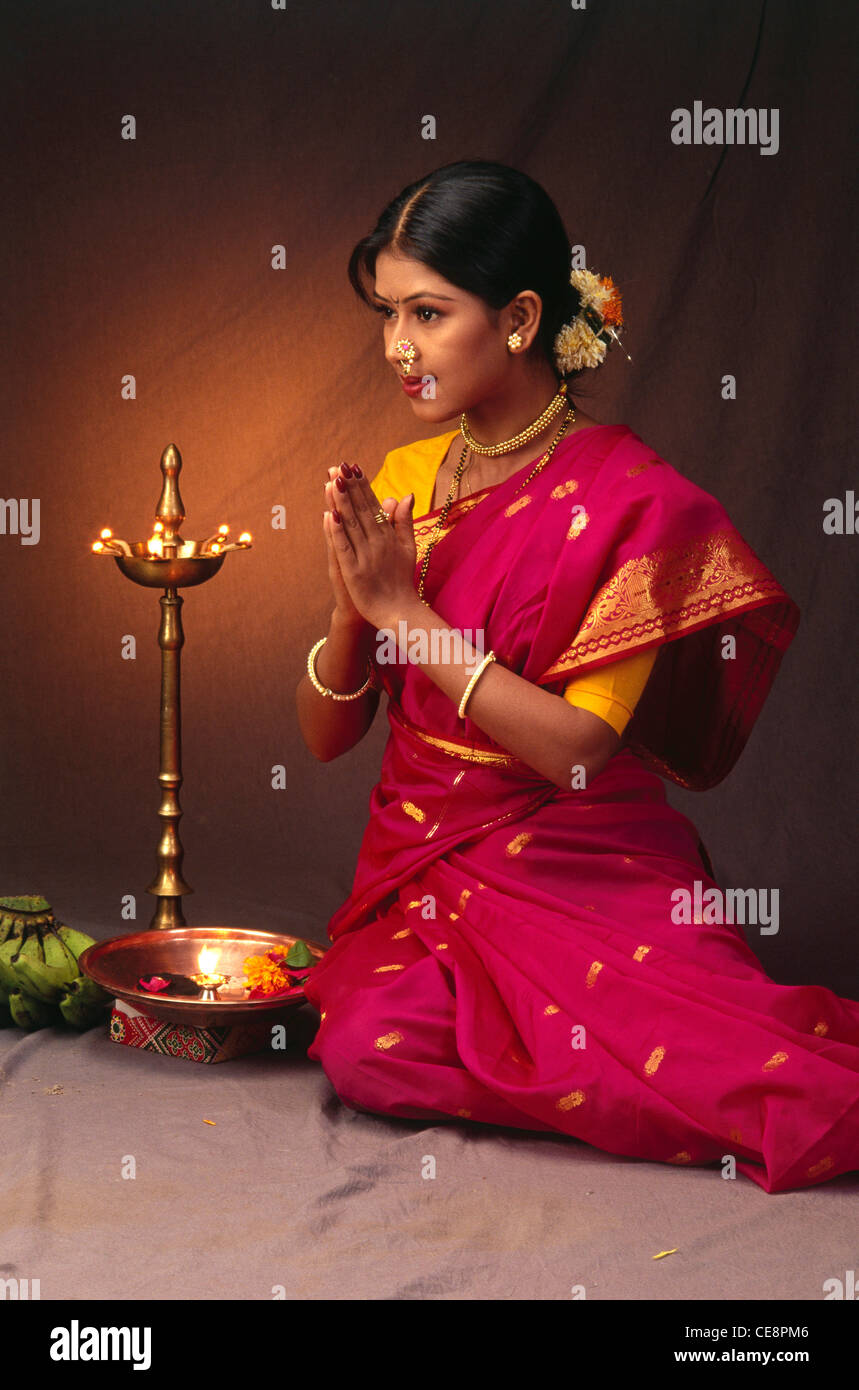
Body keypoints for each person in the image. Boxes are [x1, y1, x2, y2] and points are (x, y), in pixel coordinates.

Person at [296, 159, 859, 1193]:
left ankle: (614, 1073)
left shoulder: (633, 503)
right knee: (364, 1041)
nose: (395, 348)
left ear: (516, 319)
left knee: (754, 1069)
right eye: (385, 313)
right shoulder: (406, 479)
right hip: (428, 872)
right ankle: (593, 1079)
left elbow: (580, 752)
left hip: (584, 862)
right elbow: (326, 738)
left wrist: (404, 615)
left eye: (426, 313)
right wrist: (351, 604)